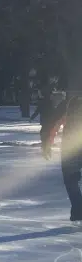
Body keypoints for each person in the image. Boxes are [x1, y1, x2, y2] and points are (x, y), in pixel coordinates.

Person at [41, 94, 82, 222]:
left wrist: (47, 144)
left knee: (70, 180)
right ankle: (77, 209)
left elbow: (54, 126)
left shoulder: (67, 112)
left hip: (70, 150)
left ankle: (78, 209)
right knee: (71, 180)